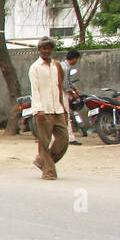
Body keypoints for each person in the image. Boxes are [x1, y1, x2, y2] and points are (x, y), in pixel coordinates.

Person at [28, 38, 68, 180]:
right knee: (44, 143)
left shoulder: (56, 66)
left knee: (64, 139)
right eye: (44, 48)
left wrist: (63, 107)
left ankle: (41, 161)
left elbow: (60, 86)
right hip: (43, 111)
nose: (47, 51)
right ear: (39, 50)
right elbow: (35, 90)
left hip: (57, 109)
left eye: (49, 48)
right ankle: (49, 172)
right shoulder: (35, 67)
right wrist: (39, 110)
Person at [63, 50, 83, 144]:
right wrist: (72, 93)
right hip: (62, 94)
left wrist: (75, 89)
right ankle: (70, 138)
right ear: (74, 58)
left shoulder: (64, 65)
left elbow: (68, 81)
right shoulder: (66, 68)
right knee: (66, 115)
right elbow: (65, 84)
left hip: (60, 93)